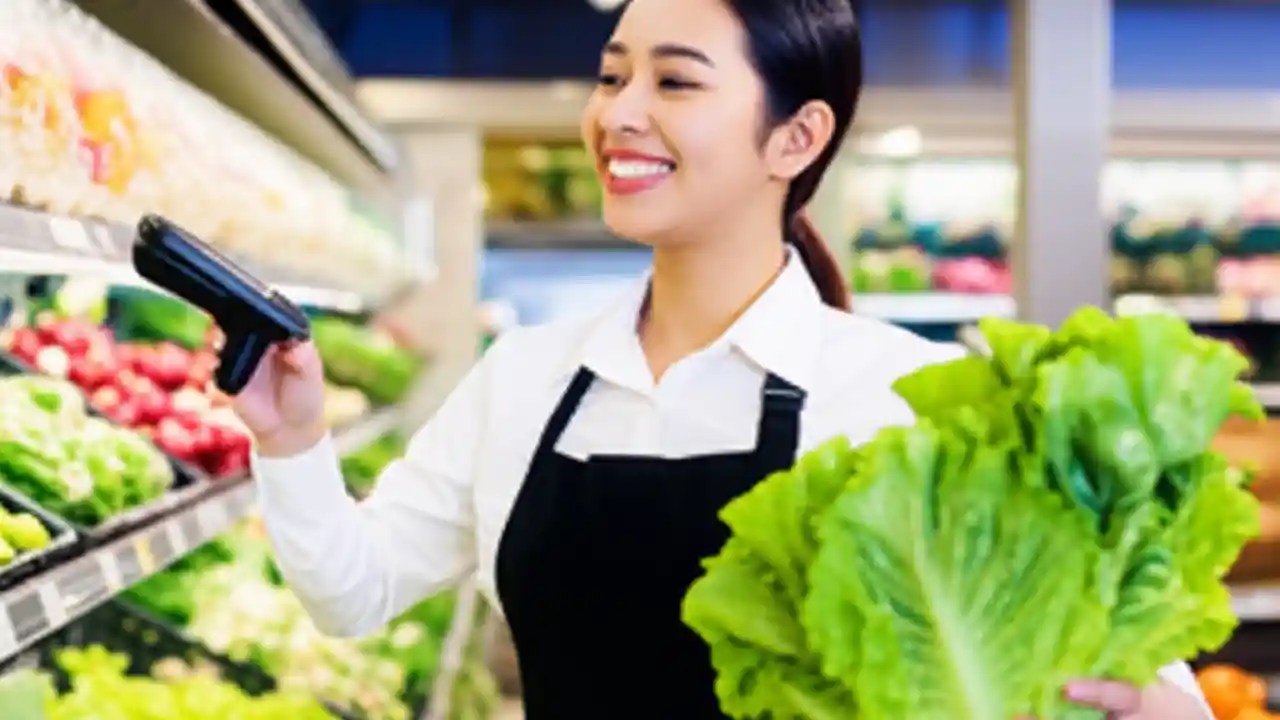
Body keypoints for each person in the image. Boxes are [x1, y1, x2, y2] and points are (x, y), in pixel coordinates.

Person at [232, 1, 1213, 718]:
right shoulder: (523, 376)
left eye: (674, 81)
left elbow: (1156, 691)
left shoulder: (907, 397)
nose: (616, 112)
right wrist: (293, 437)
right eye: (613, 75)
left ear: (796, 135)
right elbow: (351, 594)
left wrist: (1125, 699)